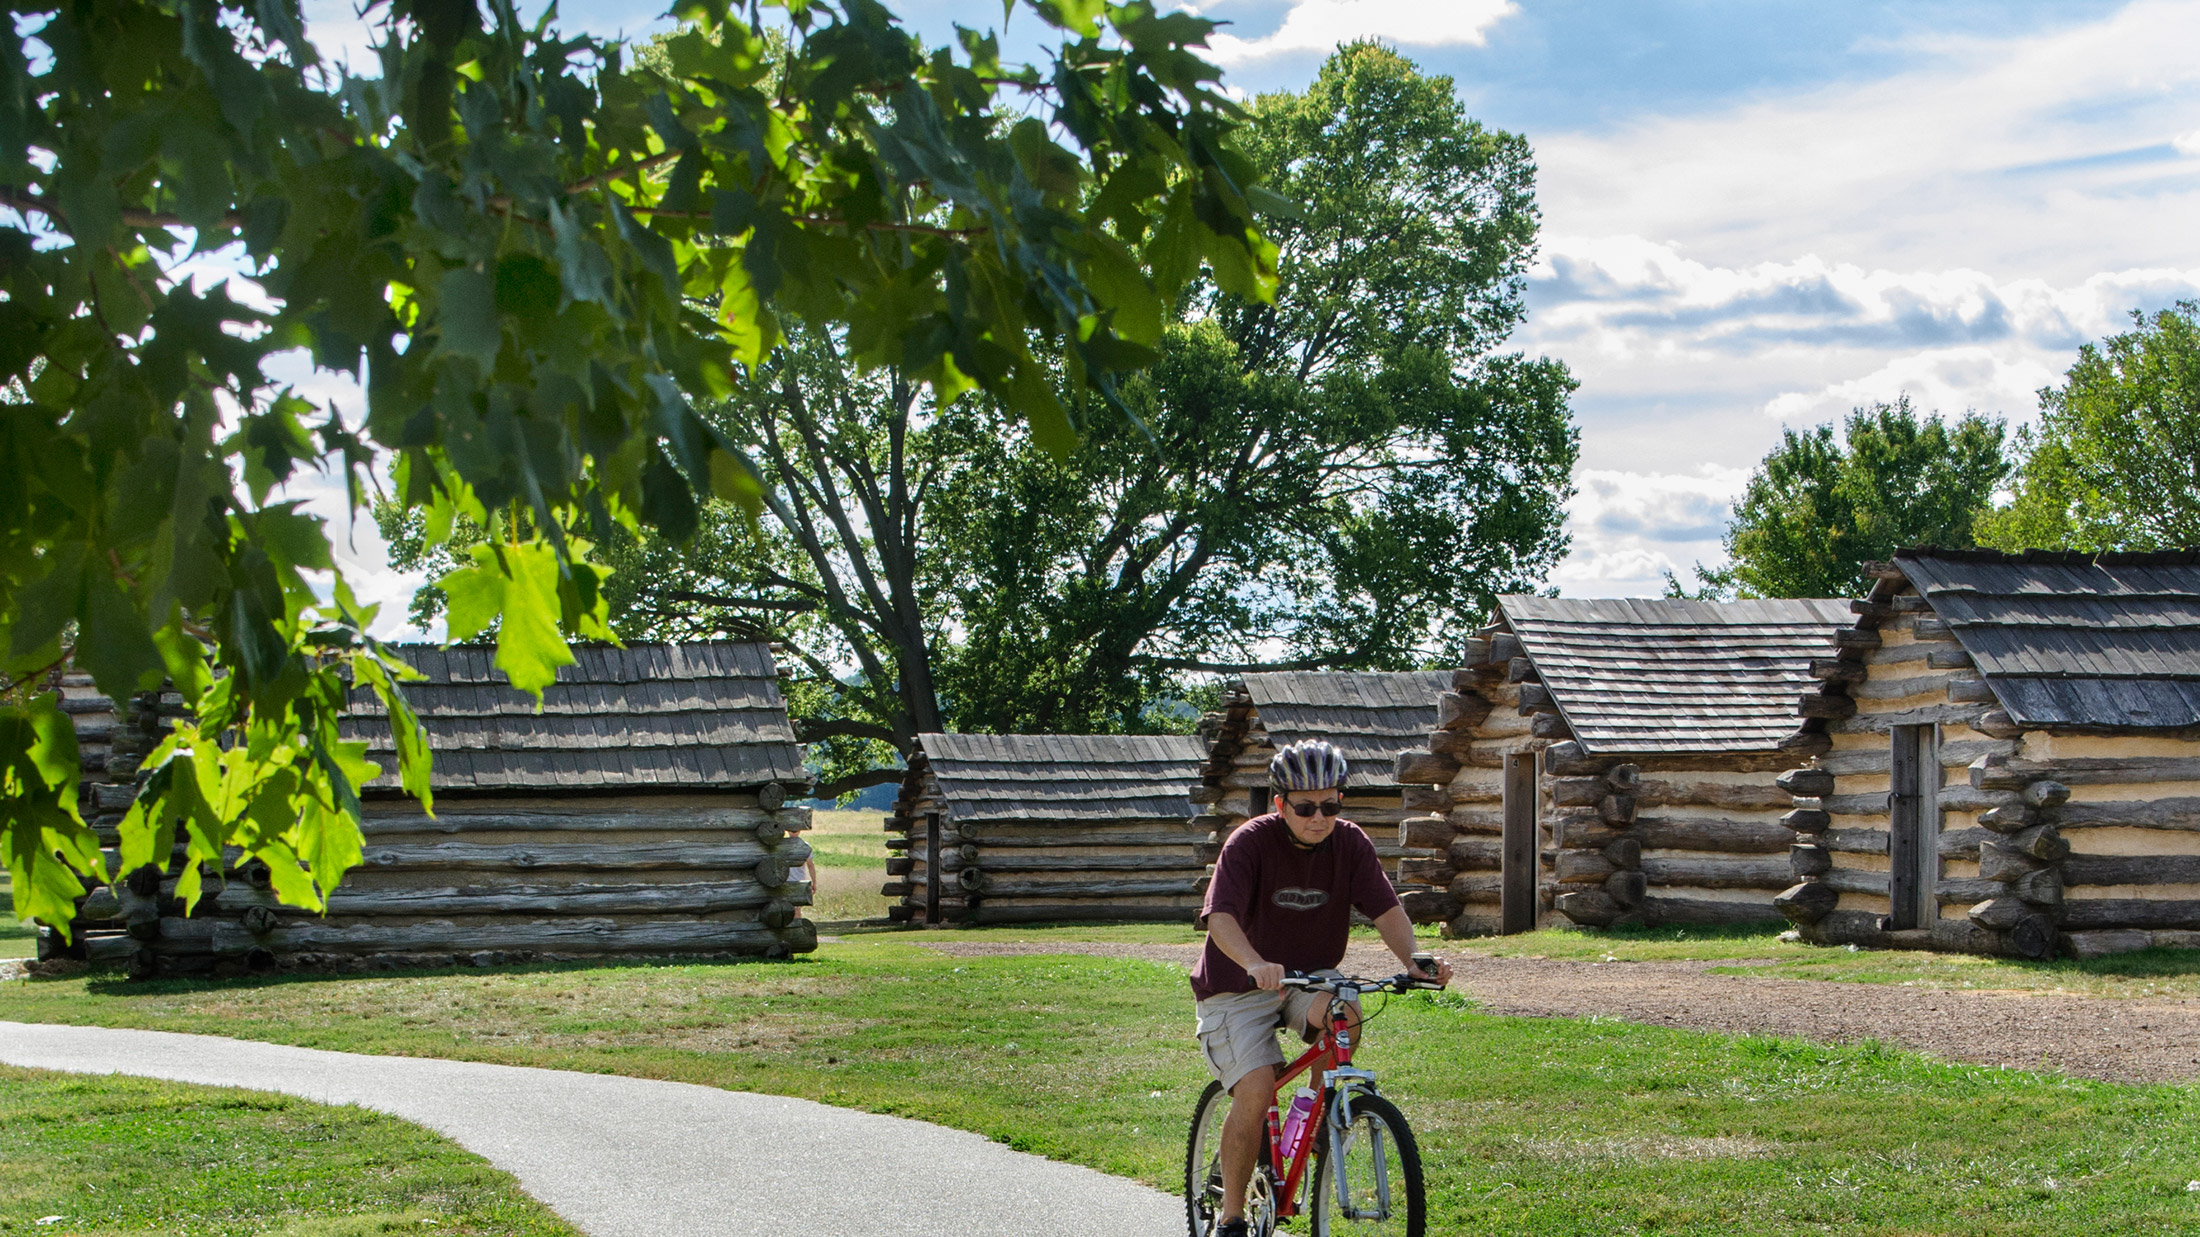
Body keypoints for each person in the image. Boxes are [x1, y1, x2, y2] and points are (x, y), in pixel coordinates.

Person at [1190, 739, 1456, 1237]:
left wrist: (1413, 960)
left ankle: (1314, 1121)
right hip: (1236, 985)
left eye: (1330, 806)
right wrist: (1254, 962)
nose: (1319, 817)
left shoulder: (1350, 843)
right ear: (1280, 804)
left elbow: (1386, 909)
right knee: (1256, 1087)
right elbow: (1220, 917)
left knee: (1346, 1012)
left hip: (1307, 978)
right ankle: (1230, 1218)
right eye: (1306, 807)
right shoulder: (1248, 843)